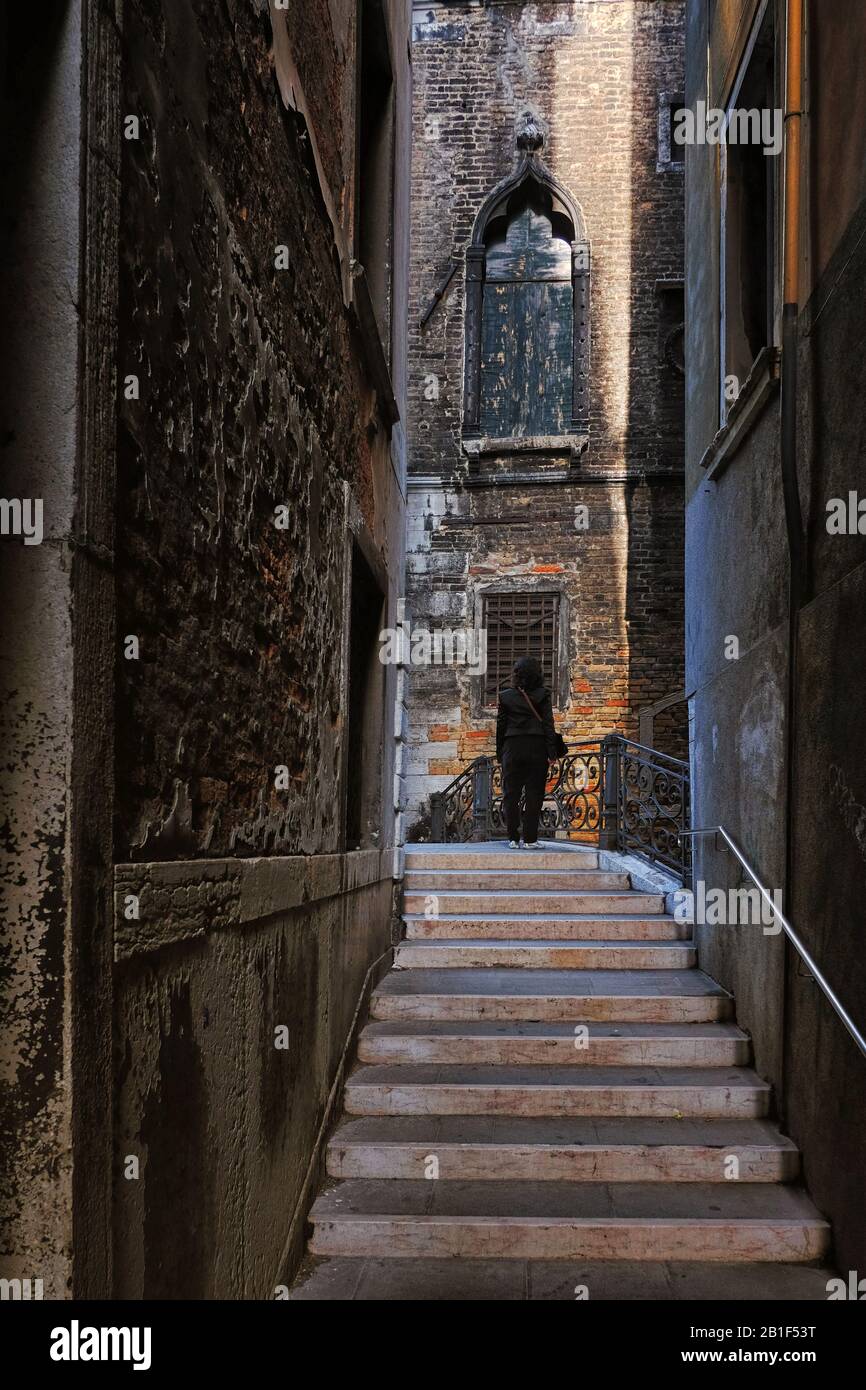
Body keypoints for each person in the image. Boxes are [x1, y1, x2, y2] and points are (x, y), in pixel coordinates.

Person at [495, 656, 558, 848]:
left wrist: (499, 753)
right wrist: (552, 753)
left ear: (517, 674)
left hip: (512, 747)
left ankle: (513, 838)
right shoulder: (543, 694)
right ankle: (530, 839)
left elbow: (501, 727)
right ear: (537, 674)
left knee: (510, 794)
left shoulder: (505, 696)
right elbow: (548, 724)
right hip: (537, 747)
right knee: (534, 794)